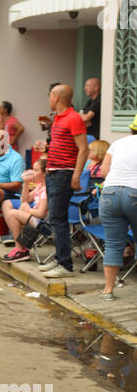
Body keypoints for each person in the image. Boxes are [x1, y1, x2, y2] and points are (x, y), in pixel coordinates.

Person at [40, 83, 89, 280]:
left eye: (50, 96)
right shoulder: (58, 119)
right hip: (53, 173)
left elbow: (83, 149)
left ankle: (65, 264)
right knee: (55, 218)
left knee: (59, 219)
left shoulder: (73, 118)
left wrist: (76, 176)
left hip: (64, 174)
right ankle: (60, 258)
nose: (49, 99)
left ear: (57, 97)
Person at [95, 119, 137, 300]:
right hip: (134, 193)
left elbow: (104, 172)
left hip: (110, 193)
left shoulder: (118, 143)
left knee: (113, 243)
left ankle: (108, 290)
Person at [1, 157, 48, 261]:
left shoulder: (46, 190)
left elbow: (41, 214)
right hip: (35, 219)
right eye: (32, 169)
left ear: (44, 173)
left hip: (42, 222)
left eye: (36, 170)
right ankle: (20, 249)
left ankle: (20, 249)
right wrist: (26, 183)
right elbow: (25, 200)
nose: (33, 172)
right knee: (11, 213)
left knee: (12, 214)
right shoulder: (40, 187)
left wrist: (28, 209)